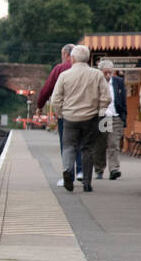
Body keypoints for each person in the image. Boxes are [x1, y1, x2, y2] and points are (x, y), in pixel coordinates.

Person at [50, 45, 109, 192]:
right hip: (90, 118)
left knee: (69, 146)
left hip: (70, 118)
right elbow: (106, 97)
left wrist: (60, 113)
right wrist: (100, 111)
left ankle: (68, 171)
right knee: (87, 149)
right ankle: (87, 183)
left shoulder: (64, 75)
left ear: (73, 58)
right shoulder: (97, 75)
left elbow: (55, 99)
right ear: (88, 58)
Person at [37, 43, 81, 186]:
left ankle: (69, 175)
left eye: (63, 55)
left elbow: (48, 89)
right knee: (83, 144)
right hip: (87, 114)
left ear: (67, 55)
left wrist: (40, 105)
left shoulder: (60, 69)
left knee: (67, 145)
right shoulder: (91, 71)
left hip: (67, 114)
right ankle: (82, 172)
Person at [93, 58, 125, 180]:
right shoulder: (96, 83)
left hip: (115, 116)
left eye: (110, 72)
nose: (108, 75)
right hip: (103, 117)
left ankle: (114, 169)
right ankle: (99, 169)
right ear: (100, 71)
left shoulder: (118, 82)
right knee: (100, 144)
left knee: (114, 143)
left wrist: (123, 117)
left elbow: (122, 100)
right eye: (105, 72)